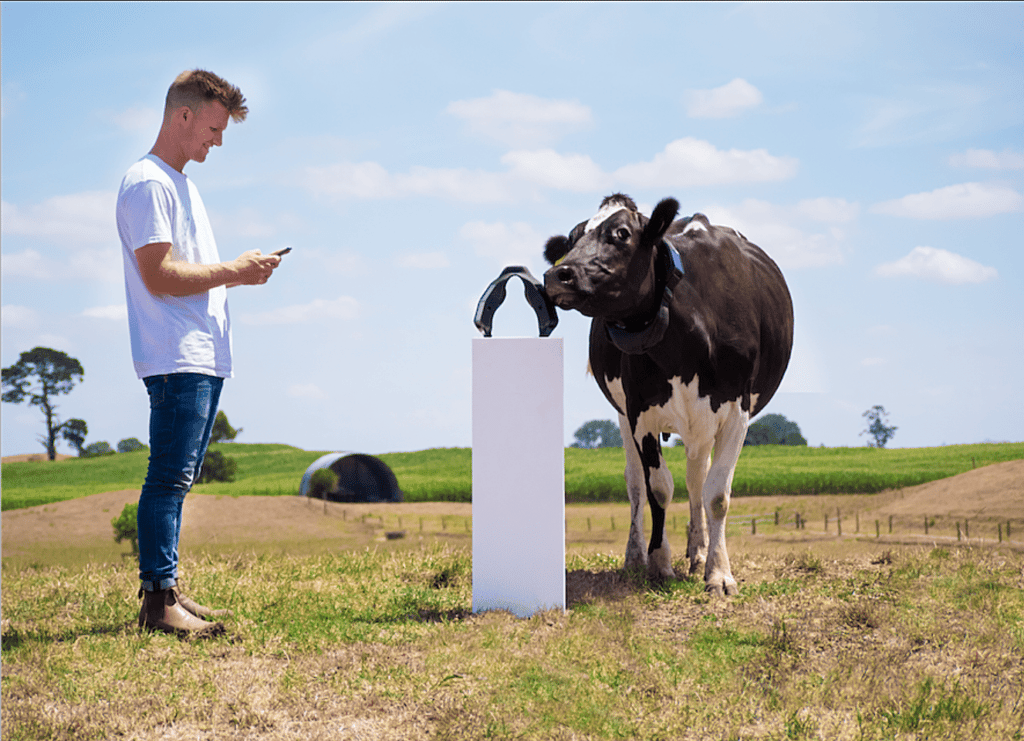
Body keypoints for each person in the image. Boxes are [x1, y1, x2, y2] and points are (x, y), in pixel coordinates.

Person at [116, 69, 281, 636]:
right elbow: (158, 274)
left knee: (176, 479)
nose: (217, 141)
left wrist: (238, 272)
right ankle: (158, 603)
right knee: (167, 479)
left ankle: (168, 591)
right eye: (213, 128)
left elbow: (178, 269)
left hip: (197, 355)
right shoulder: (149, 183)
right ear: (182, 116)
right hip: (176, 354)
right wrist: (235, 271)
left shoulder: (179, 184)